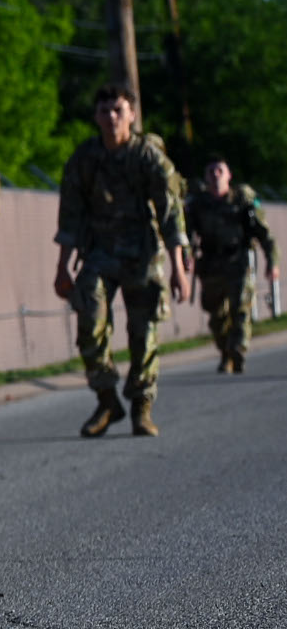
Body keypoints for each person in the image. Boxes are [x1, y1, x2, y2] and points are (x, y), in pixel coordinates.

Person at [53, 84, 189, 437]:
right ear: (95, 117)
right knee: (89, 322)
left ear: (131, 115)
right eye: (104, 111)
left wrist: (178, 267)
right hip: (99, 253)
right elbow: (70, 214)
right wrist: (62, 266)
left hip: (142, 253)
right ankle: (107, 399)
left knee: (143, 333)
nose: (111, 117)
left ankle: (142, 407)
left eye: (118, 110)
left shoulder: (148, 156)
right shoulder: (85, 159)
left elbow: (170, 213)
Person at [187, 157, 276, 374]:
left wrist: (272, 263)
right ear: (206, 177)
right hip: (211, 265)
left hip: (238, 262)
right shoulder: (198, 205)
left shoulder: (242, 201)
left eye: (220, 170)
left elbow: (264, 235)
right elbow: (187, 236)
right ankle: (226, 351)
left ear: (229, 175)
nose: (215, 175)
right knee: (217, 317)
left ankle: (238, 349)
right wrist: (185, 259)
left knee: (241, 310)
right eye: (210, 171)